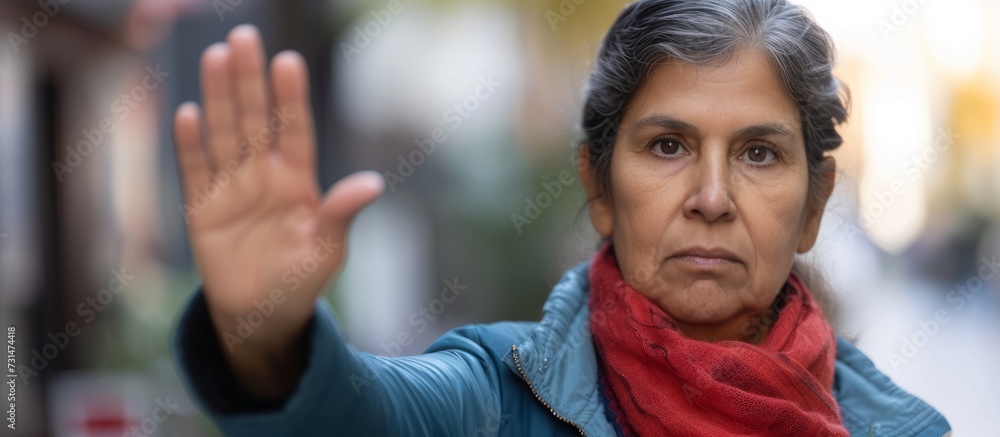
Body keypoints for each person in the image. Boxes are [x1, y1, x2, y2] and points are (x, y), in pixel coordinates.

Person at [170, 0, 952, 435]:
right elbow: (363, 413)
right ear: (599, 187)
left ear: (814, 206)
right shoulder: (497, 401)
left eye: (757, 154)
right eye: (669, 144)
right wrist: (266, 334)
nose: (711, 196)